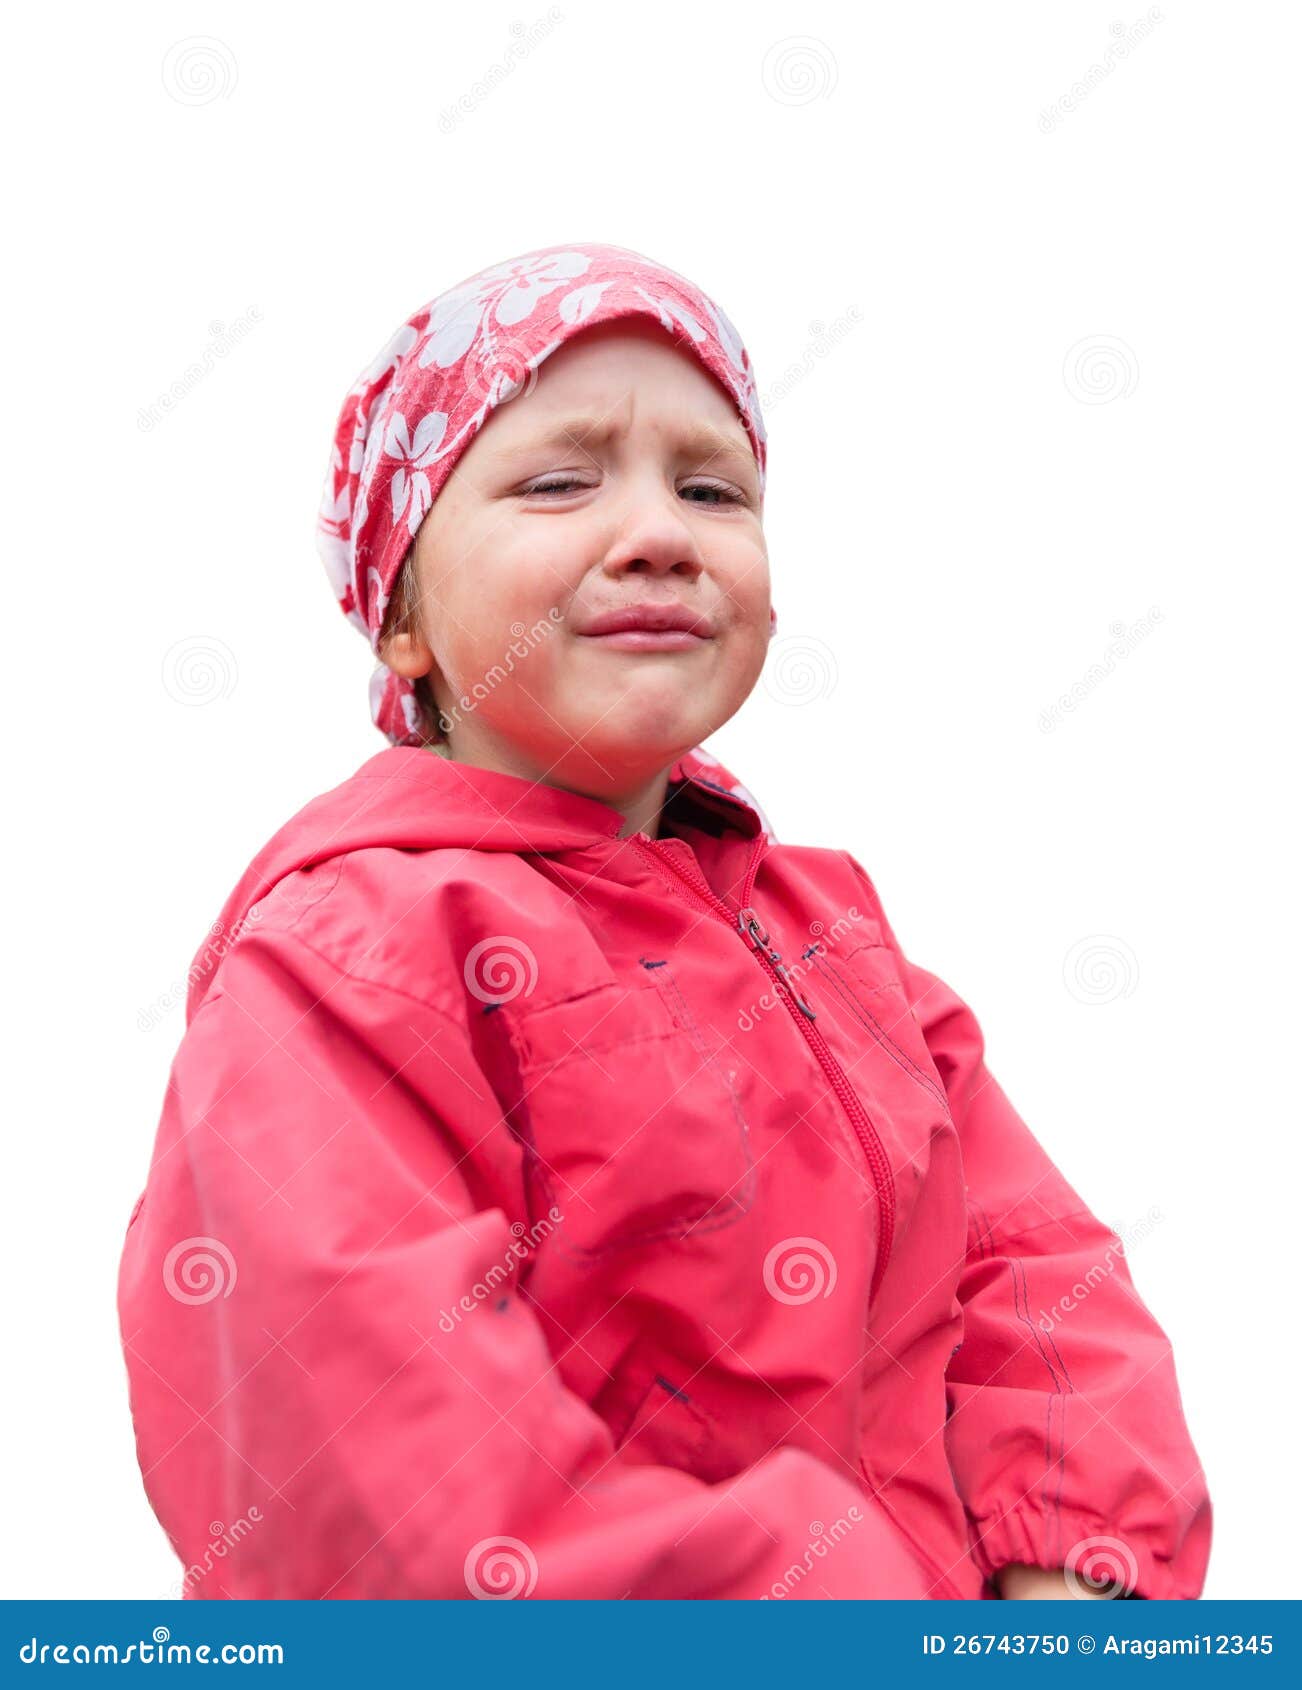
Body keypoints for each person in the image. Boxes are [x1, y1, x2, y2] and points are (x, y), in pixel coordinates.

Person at [117, 242, 1211, 1601]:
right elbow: (374, 1458)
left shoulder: (839, 943)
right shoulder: (348, 956)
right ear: (399, 615)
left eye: (711, 487)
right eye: (557, 480)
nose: (658, 531)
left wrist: (1068, 1559)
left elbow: (1030, 1268)